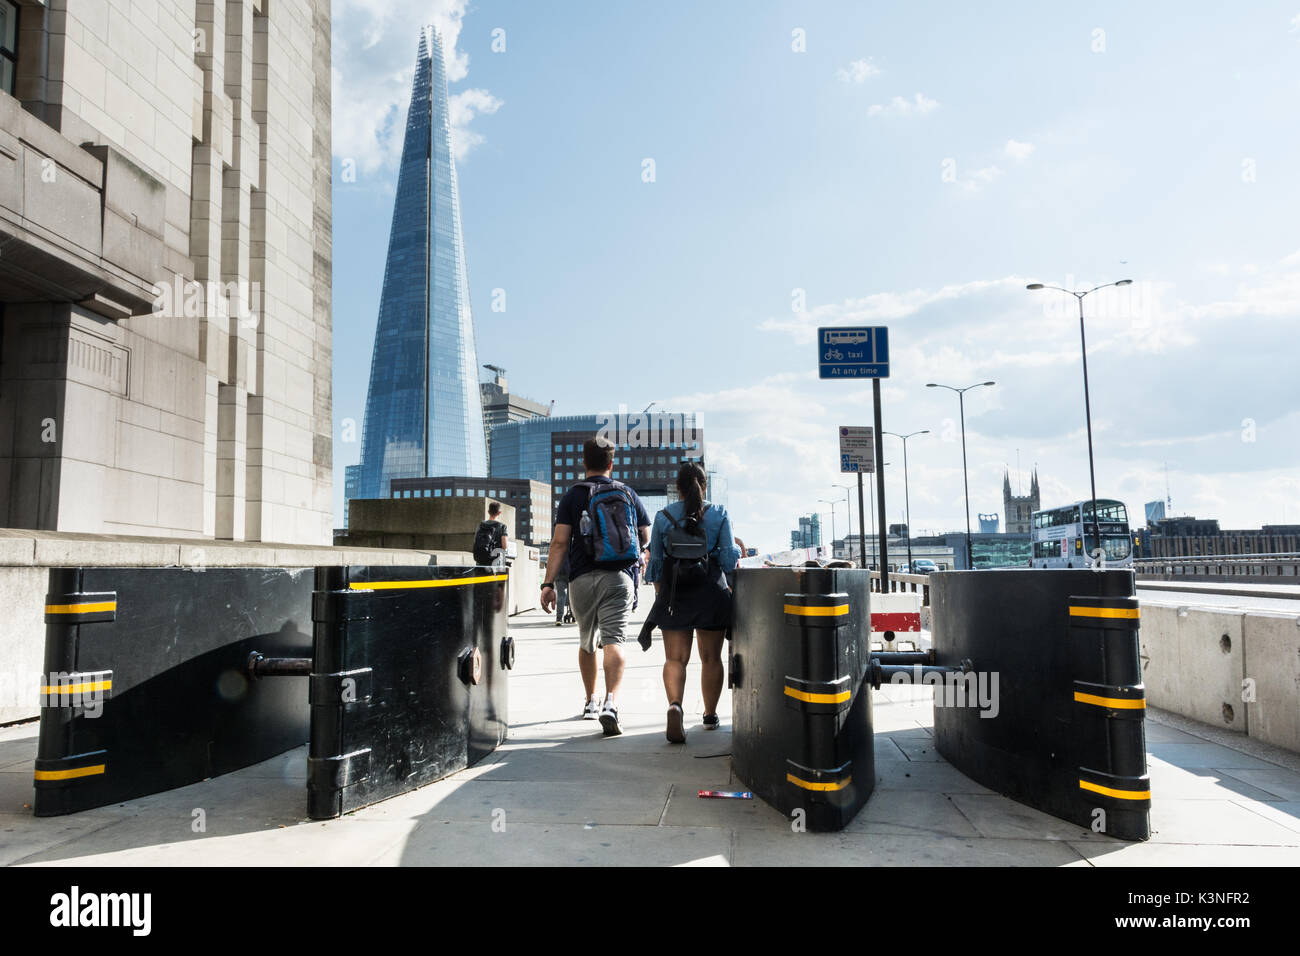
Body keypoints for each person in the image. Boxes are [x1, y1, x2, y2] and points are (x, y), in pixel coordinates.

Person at [541, 436, 651, 736]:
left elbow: (560, 542)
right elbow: (644, 536)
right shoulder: (626, 492)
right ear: (611, 463)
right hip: (619, 577)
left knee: (587, 641)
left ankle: (590, 702)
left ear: (583, 462)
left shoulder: (573, 496)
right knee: (614, 640)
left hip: (581, 579)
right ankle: (611, 702)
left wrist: (548, 583)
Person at [644, 461, 741, 743]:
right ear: (704, 485)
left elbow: (656, 568)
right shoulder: (720, 514)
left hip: (676, 594)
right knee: (711, 659)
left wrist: (665, 597)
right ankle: (710, 716)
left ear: (678, 488)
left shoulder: (663, 516)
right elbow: (727, 562)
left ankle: (675, 705)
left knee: (675, 659)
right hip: (711, 593)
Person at [473, 502, 509, 567]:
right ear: (499, 513)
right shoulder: (502, 527)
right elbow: (505, 546)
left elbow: (475, 541)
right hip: (495, 561)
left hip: (480, 560)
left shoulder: (480, 525)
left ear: (488, 512)